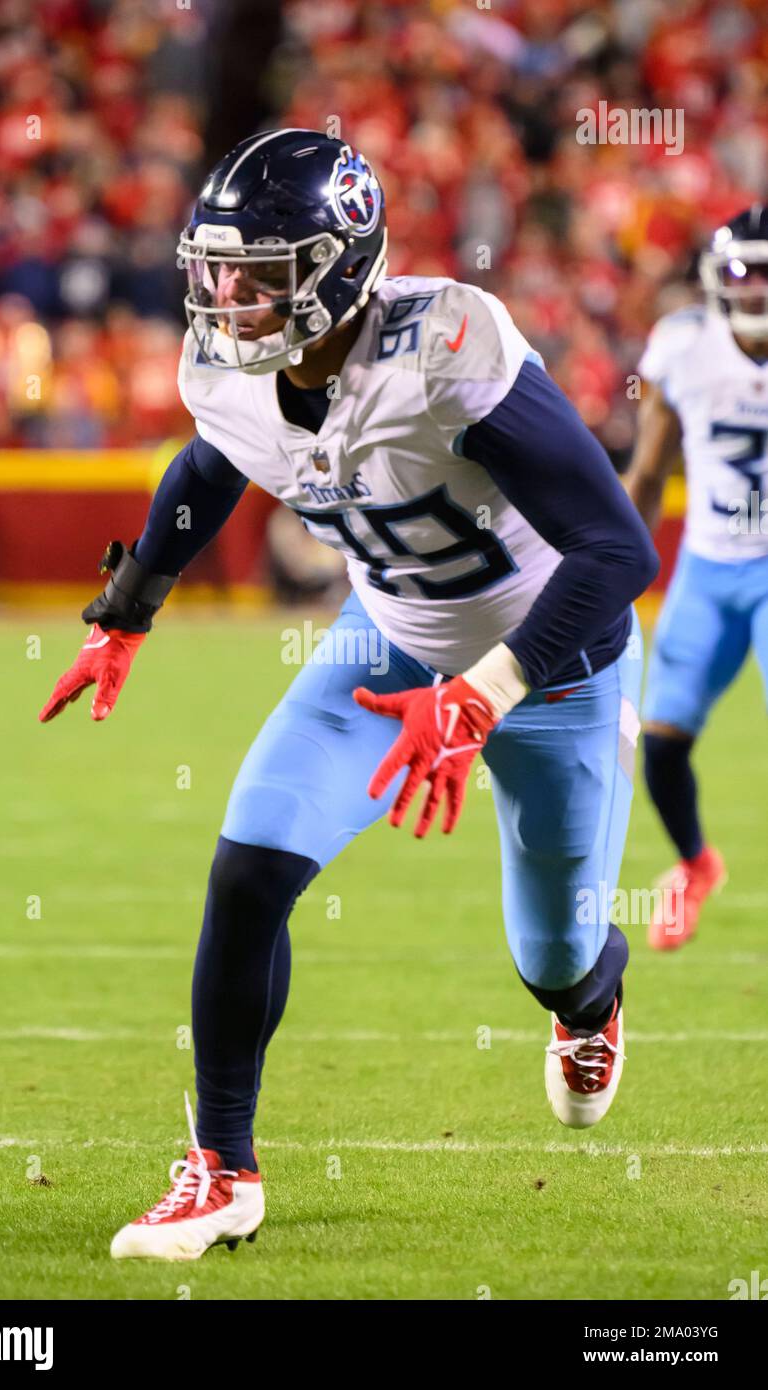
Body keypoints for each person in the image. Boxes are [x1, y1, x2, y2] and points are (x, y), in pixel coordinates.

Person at [40, 129, 657, 1260]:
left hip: (554, 666)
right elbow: (218, 458)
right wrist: (127, 608)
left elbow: (615, 550)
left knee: (552, 955)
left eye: (260, 275)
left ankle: (587, 1006)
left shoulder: (447, 347)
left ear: (338, 263)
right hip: (386, 643)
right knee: (249, 864)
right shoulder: (230, 369)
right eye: (216, 270)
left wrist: (482, 695)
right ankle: (223, 1168)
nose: (229, 299)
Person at [626, 205, 768, 950]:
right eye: (745, 272)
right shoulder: (684, 346)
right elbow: (649, 471)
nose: (757, 290)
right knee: (662, 742)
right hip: (710, 565)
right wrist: (602, 570)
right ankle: (694, 865)